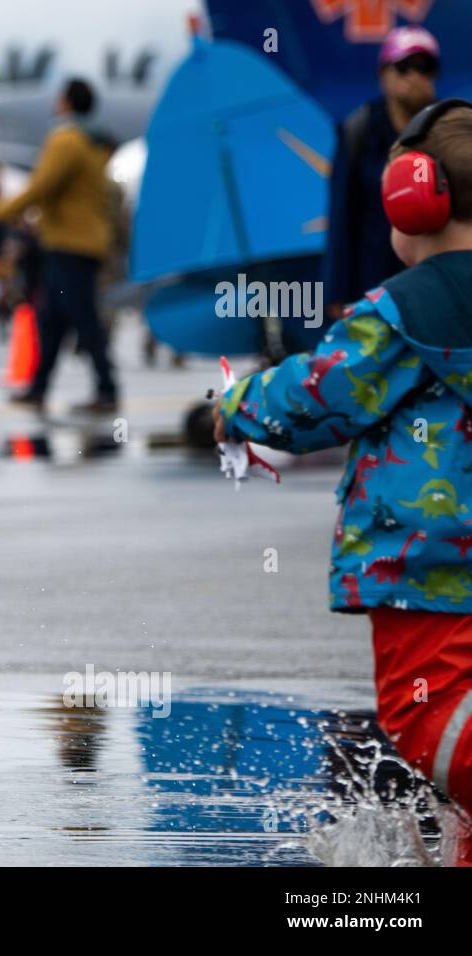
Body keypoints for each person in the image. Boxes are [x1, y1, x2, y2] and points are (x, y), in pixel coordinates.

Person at [214, 101, 472, 858]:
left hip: (426, 572)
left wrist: (235, 405)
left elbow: (318, 396)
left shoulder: (403, 313)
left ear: (412, 198)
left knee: (432, 726)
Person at [0, 78, 118, 415]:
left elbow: (41, 186)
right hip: (83, 241)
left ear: (67, 102)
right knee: (52, 319)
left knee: (82, 318)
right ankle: (40, 387)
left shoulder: (66, 139)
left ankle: (107, 388)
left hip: (70, 244)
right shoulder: (94, 141)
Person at [325, 25, 440, 318]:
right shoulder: (358, 130)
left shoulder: (448, 129)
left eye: (425, 67)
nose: (414, 76)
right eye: (404, 67)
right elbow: (341, 215)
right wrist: (337, 292)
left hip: (434, 282)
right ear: (384, 73)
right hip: (372, 282)